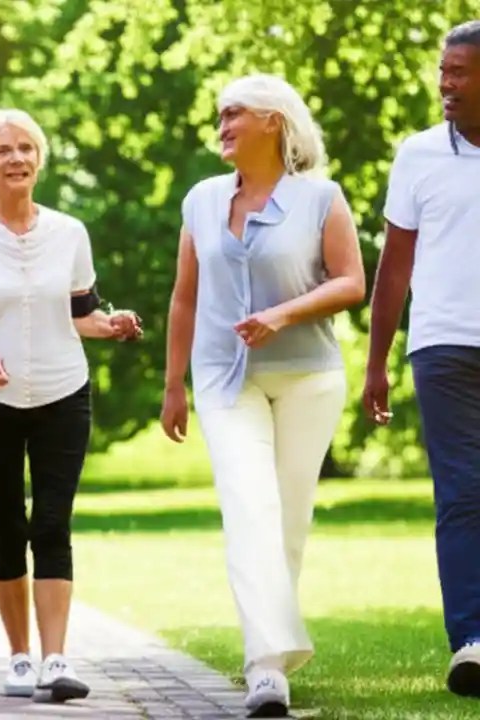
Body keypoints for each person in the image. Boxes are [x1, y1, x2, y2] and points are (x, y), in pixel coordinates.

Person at [160, 74, 364, 717]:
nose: (222, 126)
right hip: (224, 380)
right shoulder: (200, 200)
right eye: (220, 116)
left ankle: (269, 652)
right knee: (249, 509)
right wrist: (172, 387)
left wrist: (283, 315)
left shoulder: (321, 198)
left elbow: (352, 281)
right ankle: (266, 668)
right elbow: (185, 295)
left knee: (288, 521)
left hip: (308, 375)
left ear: (273, 121)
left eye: (234, 114)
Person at [0, 108, 142, 703]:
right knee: (5, 527)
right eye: (4, 150)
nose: (17, 159)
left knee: (52, 523)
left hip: (62, 392)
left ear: (40, 160)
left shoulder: (69, 233)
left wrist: (114, 324)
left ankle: (56, 659)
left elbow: (81, 313)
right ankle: (20, 658)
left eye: (26, 148)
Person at [363, 20, 480, 699]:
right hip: (442, 346)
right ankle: (470, 639)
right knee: (463, 494)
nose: (445, 84)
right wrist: (377, 361)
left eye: (459, 73)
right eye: (442, 72)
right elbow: (394, 266)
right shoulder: (419, 155)